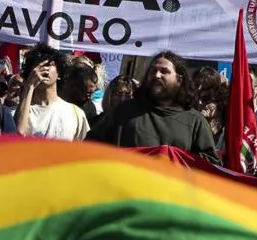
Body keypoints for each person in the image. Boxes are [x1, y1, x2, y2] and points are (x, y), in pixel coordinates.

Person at [89, 50, 217, 159]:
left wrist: (173, 158)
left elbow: (209, 166)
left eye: (164, 71)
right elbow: (91, 146)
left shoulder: (195, 121)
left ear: (179, 79)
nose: (157, 75)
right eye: (153, 70)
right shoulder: (124, 112)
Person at [15, 45, 89, 141]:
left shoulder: (76, 114)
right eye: (38, 65)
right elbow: (18, 134)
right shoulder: (20, 112)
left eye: (50, 64)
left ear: (59, 73)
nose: (44, 69)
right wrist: (30, 86)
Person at [59, 59, 102, 127]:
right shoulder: (49, 102)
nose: (89, 98)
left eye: (92, 93)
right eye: (87, 93)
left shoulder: (89, 108)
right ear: (72, 85)